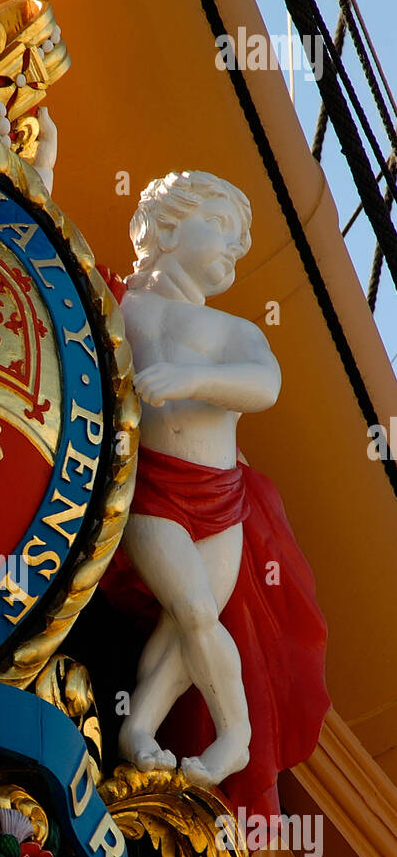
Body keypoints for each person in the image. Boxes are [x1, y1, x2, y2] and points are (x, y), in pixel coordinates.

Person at [101, 171, 329, 814]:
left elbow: (264, 384)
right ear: (162, 228)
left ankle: (140, 727)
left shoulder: (234, 331)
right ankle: (236, 733)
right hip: (154, 494)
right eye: (223, 230)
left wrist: (191, 376)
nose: (235, 249)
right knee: (196, 608)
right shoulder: (117, 305)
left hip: (221, 500)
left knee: (182, 627)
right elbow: (52, 287)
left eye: (242, 242)